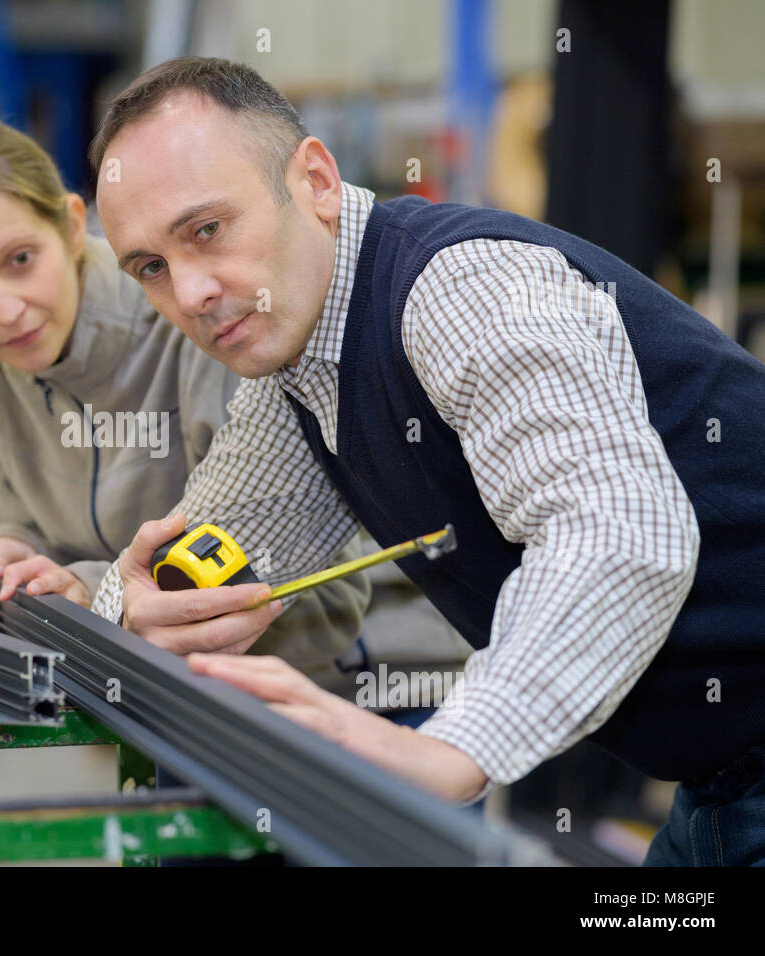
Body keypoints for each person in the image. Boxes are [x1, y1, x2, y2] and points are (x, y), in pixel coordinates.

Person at [61, 57, 764, 866]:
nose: (189, 293)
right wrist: (105, 601)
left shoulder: (459, 290)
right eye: (150, 267)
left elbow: (616, 531)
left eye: (207, 230)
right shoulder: (299, 369)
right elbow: (217, 547)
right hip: (721, 785)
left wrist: (448, 751)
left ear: (317, 182)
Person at [0, 115, 372, 692]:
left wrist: (94, 590)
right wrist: (5, 547)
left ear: (71, 227)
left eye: (20, 260)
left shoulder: (197, 322)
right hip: (146, 688)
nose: (4, 309)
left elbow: (257, 554)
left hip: (316, 680)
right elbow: (17, 511)